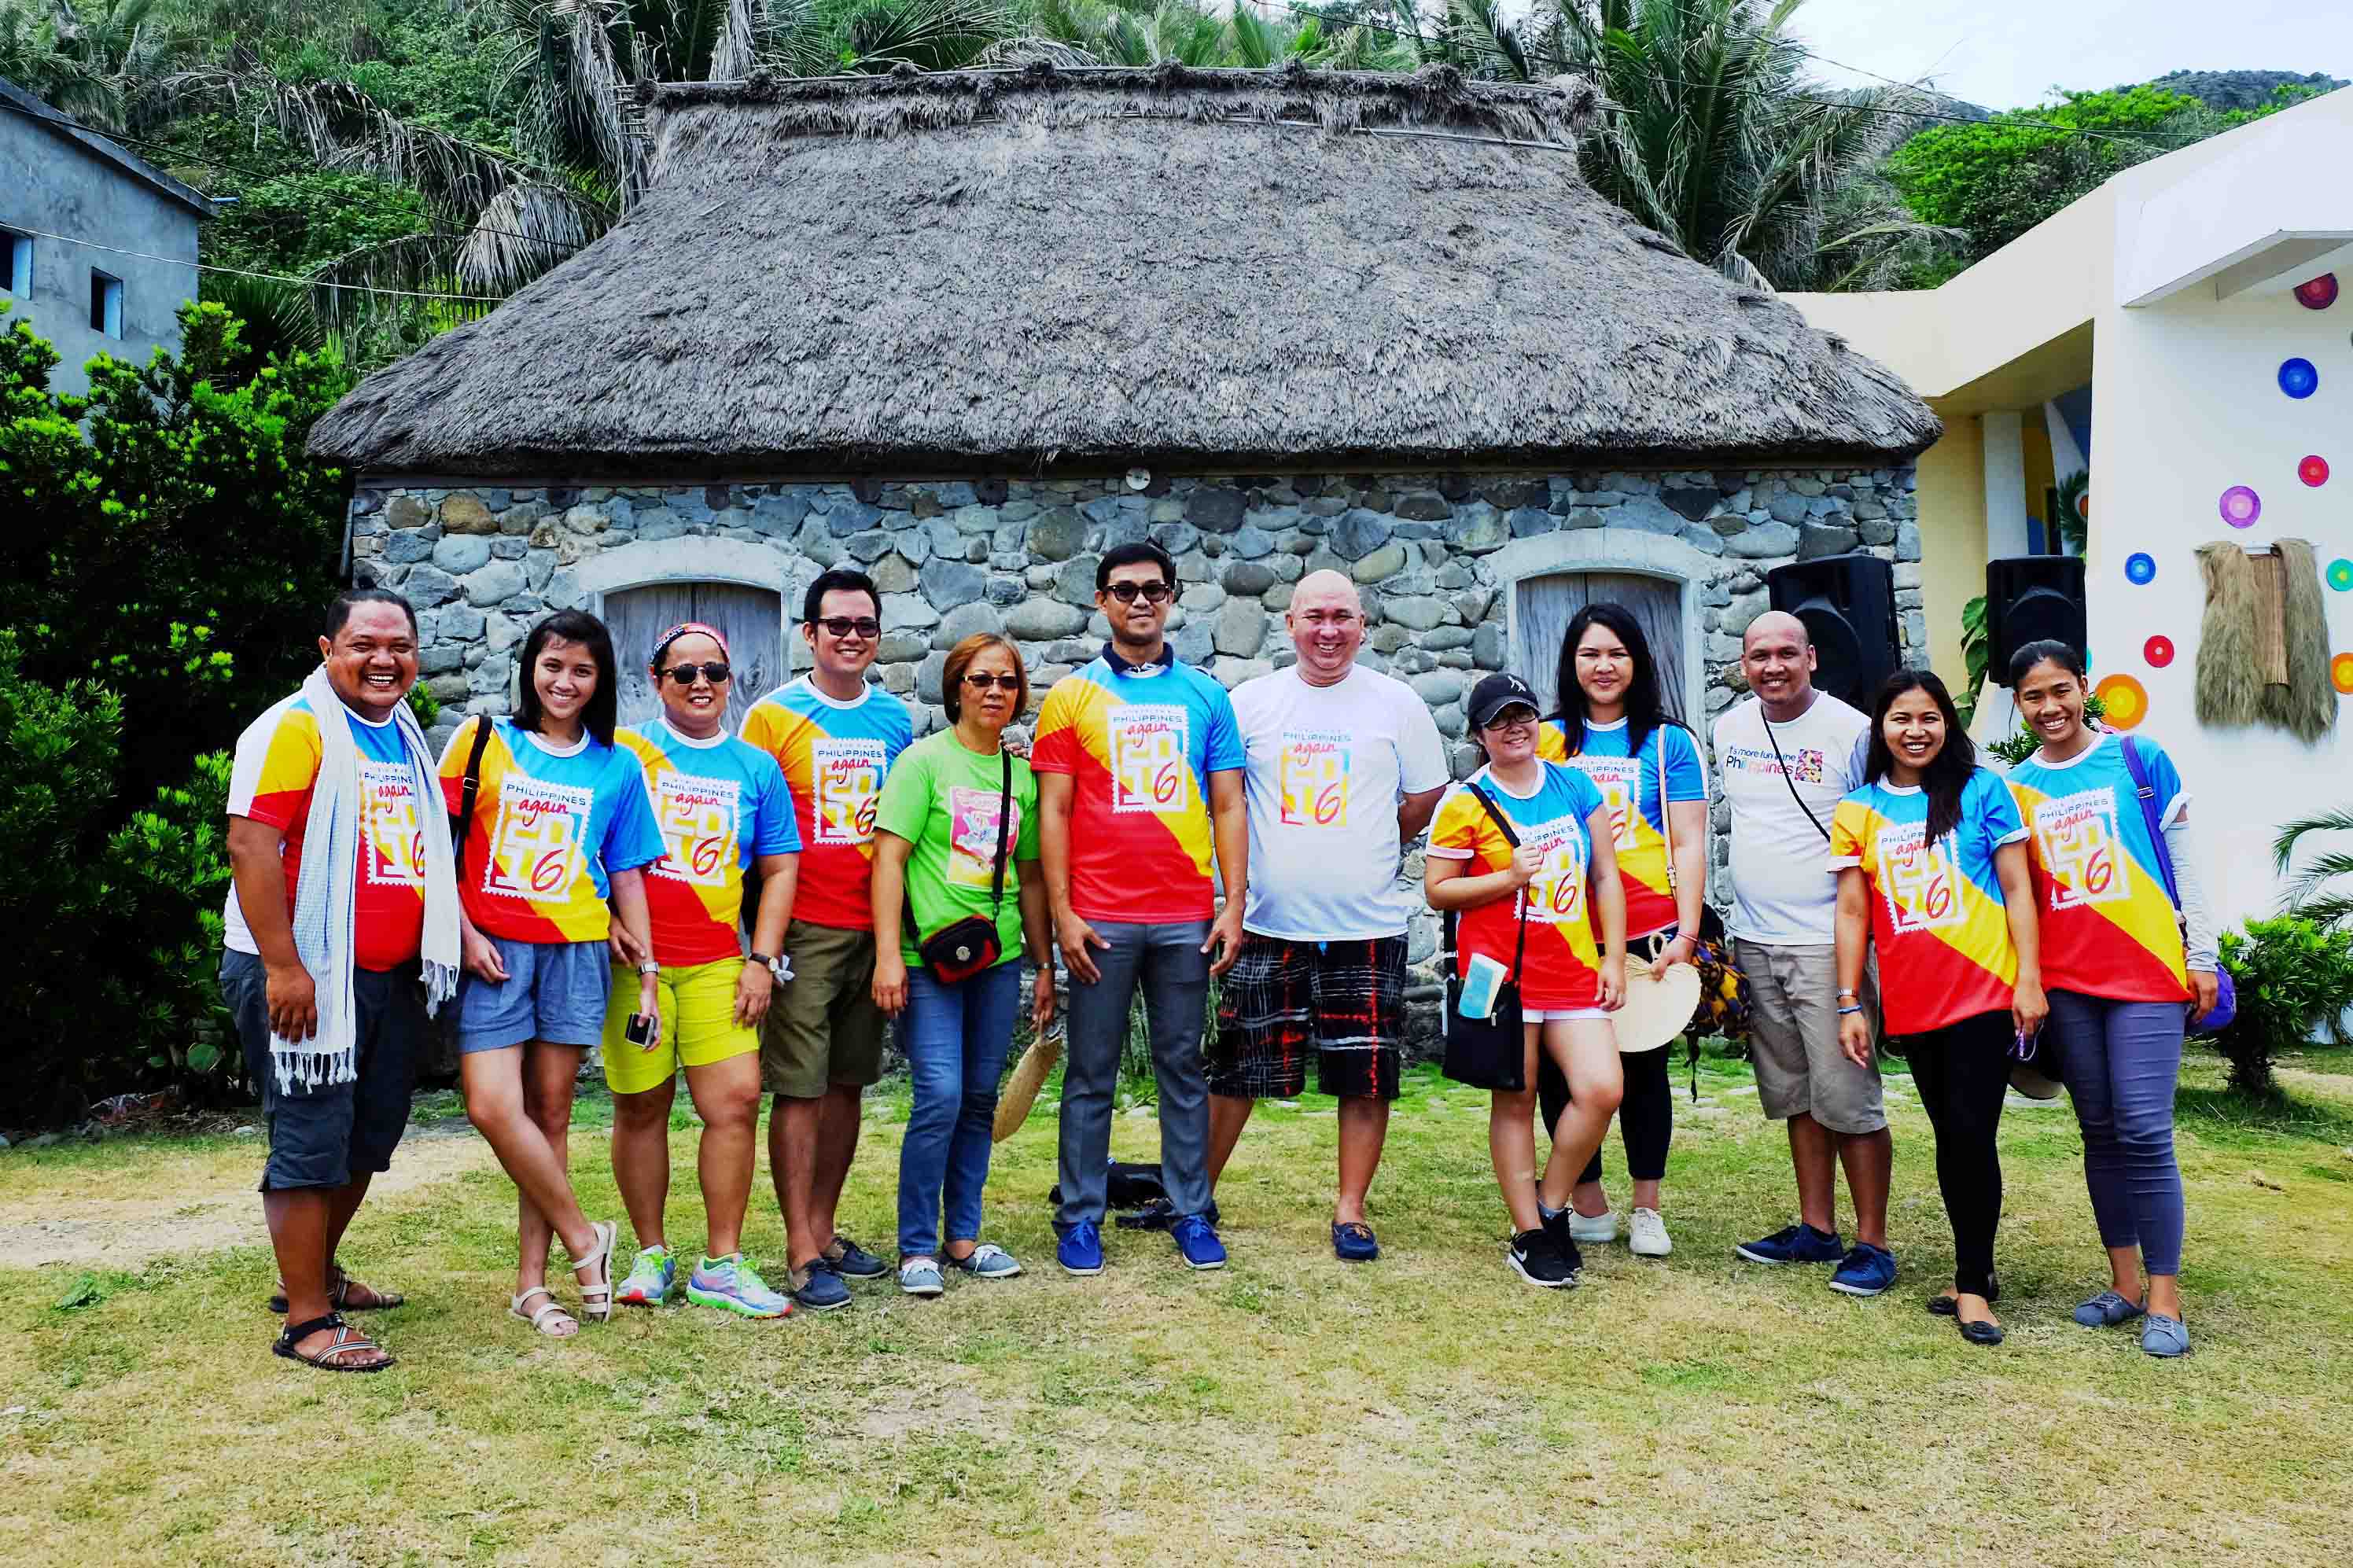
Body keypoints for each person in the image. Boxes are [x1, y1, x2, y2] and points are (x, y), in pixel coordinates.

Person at [221, 589, 461, 1371]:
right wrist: (287, 966)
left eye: (399, 644)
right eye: (364, 643)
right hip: (304, 970)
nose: (384, 658)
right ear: (328, 648)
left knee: (369, 1131)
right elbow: (252, 847)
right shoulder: (295, 727)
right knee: (311, 1133)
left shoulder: (401, 735)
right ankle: (306, 1321)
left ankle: (314, 1274)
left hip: (384, 974)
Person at [1206, 571, 1449, 1261]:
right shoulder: (1250, 703)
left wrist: (1368, 841)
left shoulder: (1397, 704)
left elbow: (1424, 796)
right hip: (1266, 918)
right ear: (1289, 623)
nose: (1329, 631)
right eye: (1315, 616)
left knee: (1365, 1071)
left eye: (1343, 616)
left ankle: (1350, 1210)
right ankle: (1197, 1194)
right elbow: (1221, 800)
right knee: (1239, 1066)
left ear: (1364, 625)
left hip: (1365, 922)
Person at [441, 609, 665, 1337]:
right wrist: (463, 931)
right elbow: (434, 847)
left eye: (582, 670)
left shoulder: (618, 763)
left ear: (600, 681)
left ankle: (532, 1287)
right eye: (552, 665)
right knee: (491, 1107)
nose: (564, 682)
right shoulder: (481, 742)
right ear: (530, 668)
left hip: (577, 951)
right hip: (495, 952)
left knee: (552, 1115)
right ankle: (584, 1239)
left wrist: (651, 964)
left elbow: (625, 870)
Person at [1034, 540, 1248, 1277]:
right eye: (1123, 590)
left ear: (1172, 598)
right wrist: (1062, 912)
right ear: (1101, 601)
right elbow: (1052, 812)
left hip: (1186, 914)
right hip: (1100, 917)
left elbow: (1228, 803)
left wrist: (1233, 903)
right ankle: (1080, 1216)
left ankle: (1190, 1209)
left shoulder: (1206, 695)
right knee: (1090, 1072)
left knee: (1181, 1068)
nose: (1139, 601)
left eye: (1153, 589)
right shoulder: (1072, 696)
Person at [2005, 639, 2215, 1359]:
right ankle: (2124, 1285)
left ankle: (2164, 1296)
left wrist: (2204, 956)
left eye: (2060, 690)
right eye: (2033, 697)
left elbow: (2184, 858)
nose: (2050, 707)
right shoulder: (2015, 787)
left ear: (2083, 687)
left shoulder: (2138, 759)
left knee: (2145, 1132)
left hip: (2149, 975)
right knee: (2098, 1128)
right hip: (2069, 983)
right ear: (2017, 704)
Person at [1831, 670, 2045, 1345]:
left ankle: (1975, 1288)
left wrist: (2029, 981)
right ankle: (1972, 1268)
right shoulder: (1858, 809)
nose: (1915, 730)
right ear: (1881, 728)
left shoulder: (1984, 790)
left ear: (1948, 725)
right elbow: (1852, 911)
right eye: (1901, 718)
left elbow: (2018, 890)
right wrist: (1848, 1002)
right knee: (1952, 1138)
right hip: (1914, 1005)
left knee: (1969, 1136)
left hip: (1985, 995)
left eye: (1929, 717)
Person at [603, 623, 802, 1320]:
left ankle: (721, 1263)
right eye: (682, 672)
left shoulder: (755, 767)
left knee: (737, 1102)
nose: (699, 685)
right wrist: (608, 925)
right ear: (655, 680)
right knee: (641, 1106)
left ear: (731, 682)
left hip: (722, 962)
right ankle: (651, 1253)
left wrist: (762, 959)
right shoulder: (625, 751)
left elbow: (780, 868)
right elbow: (584, 844)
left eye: (713, 672)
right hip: (640, 968)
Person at [738, 569, 914, 1310]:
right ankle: (799, 1248)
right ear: (808, 634)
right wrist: (759, 941)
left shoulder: (897, 721)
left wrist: (893, 941)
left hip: (870, 926)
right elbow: (745, 826)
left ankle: (826, 1225)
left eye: (864, 627)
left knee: (848, 1083)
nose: (850, 638)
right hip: (801, 929)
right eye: (836, 625)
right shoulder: (774, 717)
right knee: (800, 1088)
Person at [1712, 612, 1895, 1296]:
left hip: (1828, 943)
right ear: (1744, 664)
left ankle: (1873, 1243)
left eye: (1787, 653)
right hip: (1757, 939)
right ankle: (1817, 1229)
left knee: (1848, 1098)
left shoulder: (1852, 730)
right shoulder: (1729, 730)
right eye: (1759, 655)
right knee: (1794, 1095)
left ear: (1812, 658)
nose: (1773, 667)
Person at [1426, 672, 1628, 1289]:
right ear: (1480, 734)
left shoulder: (1573, 784)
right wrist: (1506, 879)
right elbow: (1439, 890)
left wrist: (1614, 958)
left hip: (1571, 970)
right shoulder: (1464, 802)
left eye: (1524, 715)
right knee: (1515, 1099)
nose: (1514, 728)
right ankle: (1529, 1235)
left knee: (1601, 1090)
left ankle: (1551, 1202)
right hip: (1501, 977)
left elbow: (1604, 877)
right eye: (1499, 720)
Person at [871, 633, 1058, 1296]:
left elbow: (1030, 878)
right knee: (940, 1096)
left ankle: (964, 1237)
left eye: (1007, 682)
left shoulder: (1019, 775)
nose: (994, 692)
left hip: (998, 957)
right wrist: (888, 955)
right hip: (928, 961)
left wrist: (1043, 964)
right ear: (956, 688)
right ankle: (917, 1245)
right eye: (981, 680)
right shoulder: (923, 764)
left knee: (978, 1100)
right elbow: (888, 859)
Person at [1536, 603, 1708, 1258]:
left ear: (1638, 662)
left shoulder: (1669, 743)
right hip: (1562, 932)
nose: (1603, 667)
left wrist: (1687, 933)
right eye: (1589, 654)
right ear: (1570, 665)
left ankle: (1647, 1208)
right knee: (1565, 1074)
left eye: (1616, 653)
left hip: (1649, 934)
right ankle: (1587, 1203)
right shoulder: (1547, 738)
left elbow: (1689, 842)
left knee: (1643, 1070)